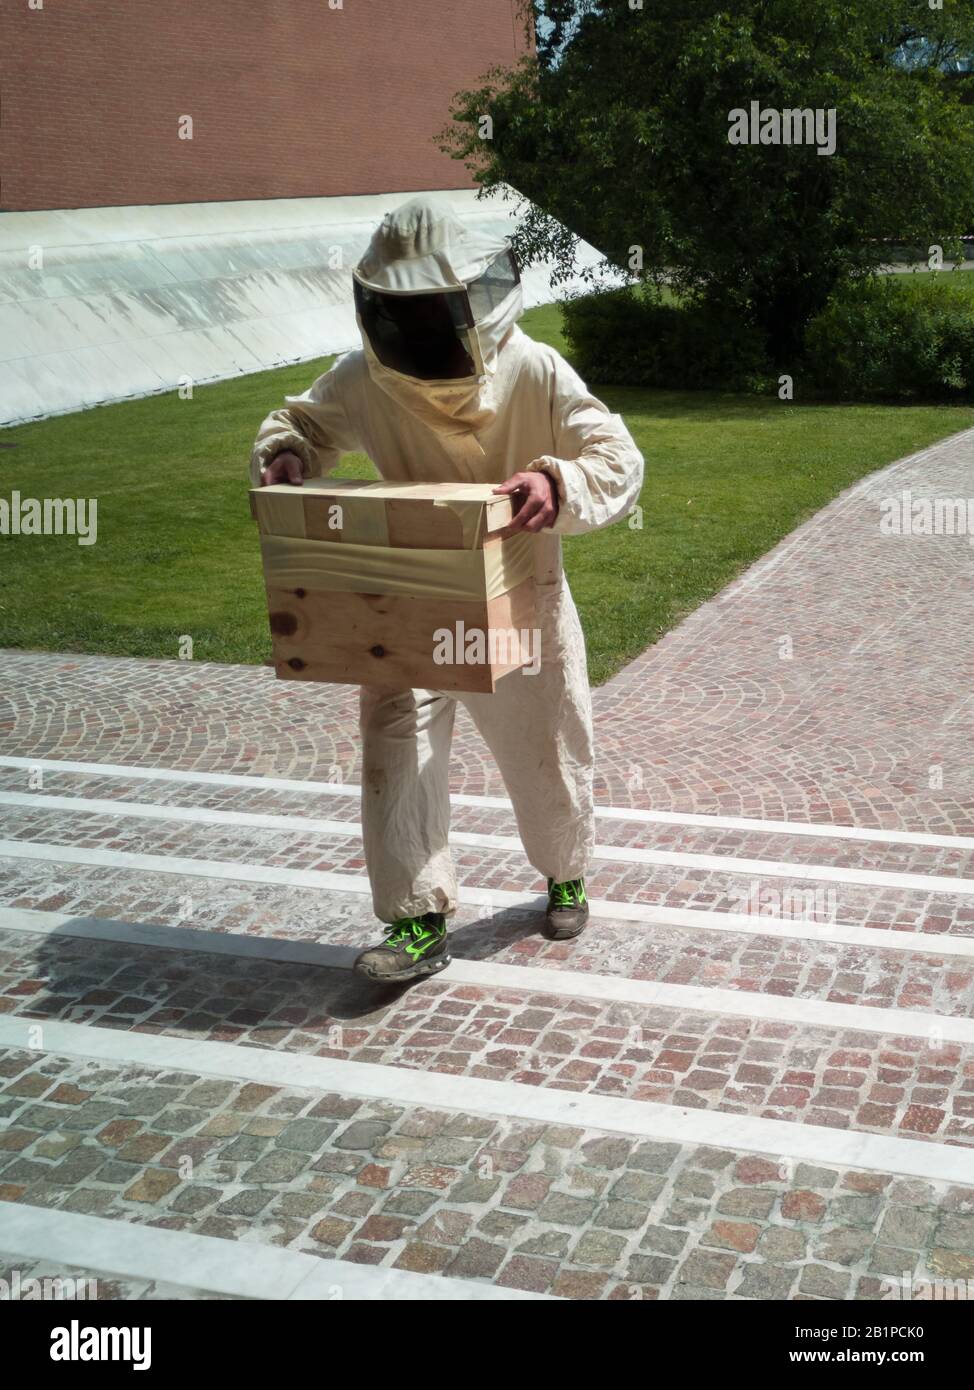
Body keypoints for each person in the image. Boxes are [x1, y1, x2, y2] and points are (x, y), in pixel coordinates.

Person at [250, 195, 644, 984]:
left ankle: (565, 871)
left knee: (548, 743)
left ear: (469, 304)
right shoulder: (366, 377)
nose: (419, 332)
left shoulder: (531, 367)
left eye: (429, 313)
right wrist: (289, 453)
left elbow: (616, 452)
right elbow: (301, 424)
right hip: (408, 599)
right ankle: (416, 917)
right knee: (395, 751)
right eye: (408, 314)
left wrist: (555, 480)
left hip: (520, 592)